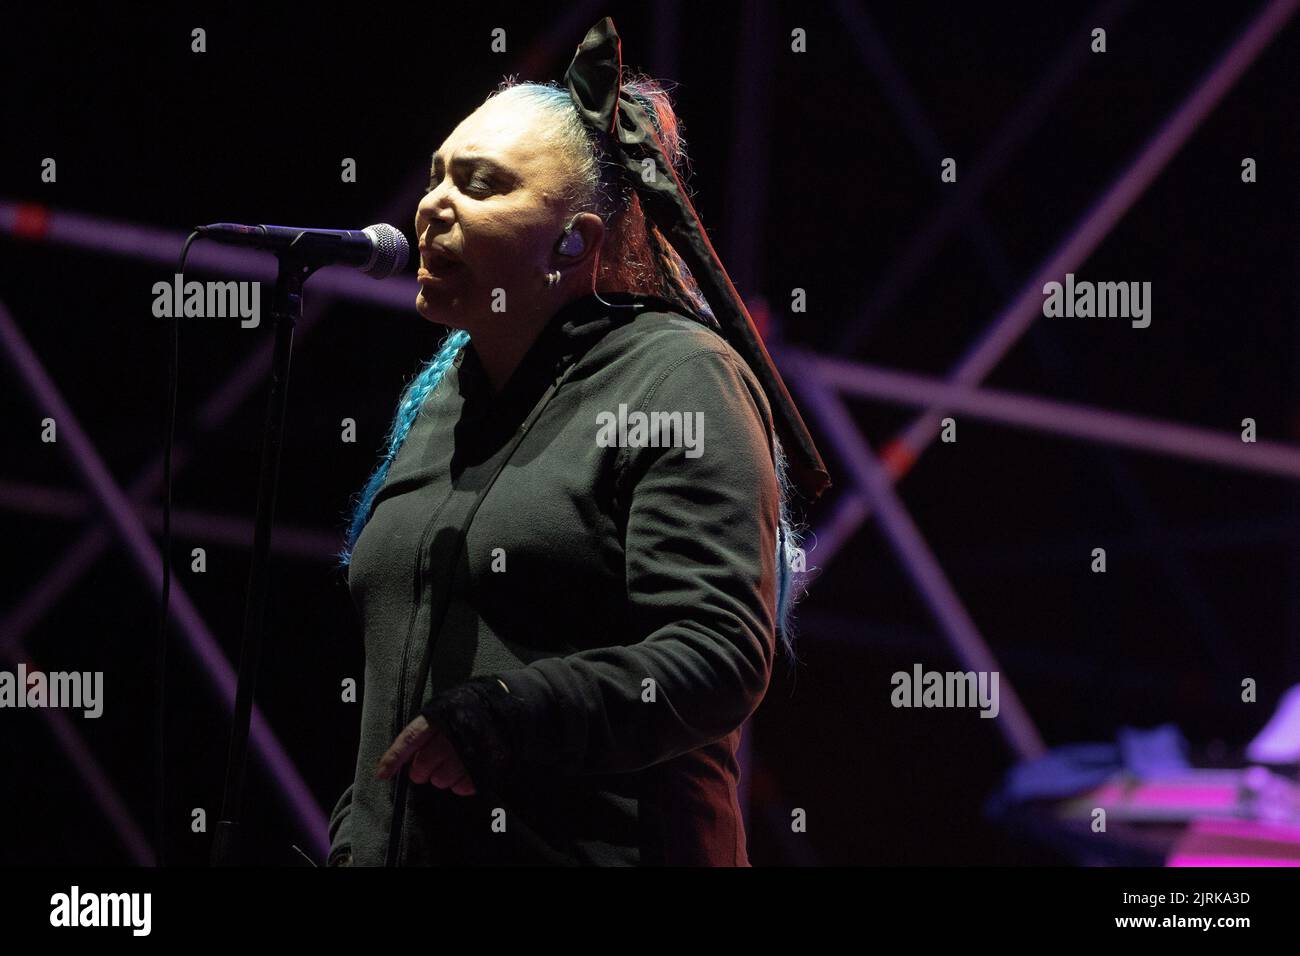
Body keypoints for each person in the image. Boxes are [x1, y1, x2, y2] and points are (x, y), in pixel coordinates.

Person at [326, 27, 818, 867]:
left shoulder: (677, 378)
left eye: (481, 185)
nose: (435, 202)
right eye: (439, 174)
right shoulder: (439, 402)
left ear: (574, 244)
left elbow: (718, 652)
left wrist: (507, 712)